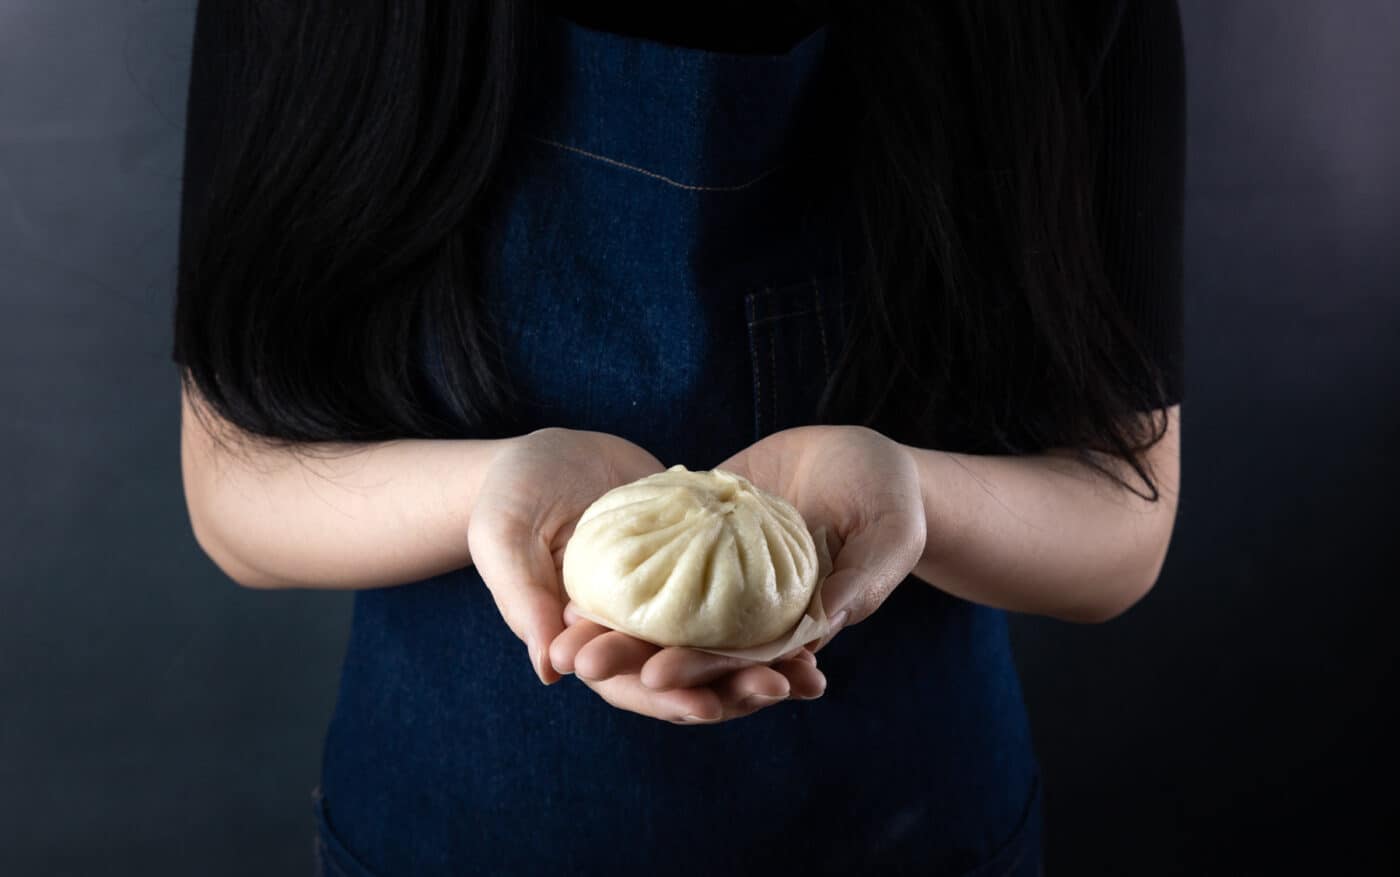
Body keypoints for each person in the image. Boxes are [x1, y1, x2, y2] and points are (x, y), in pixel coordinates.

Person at [173, 0, 1184, 873]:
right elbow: (233, 490)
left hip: (908, 823)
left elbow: (1120, 523)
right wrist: (491, 489)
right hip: (447, 823)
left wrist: (910, 494)